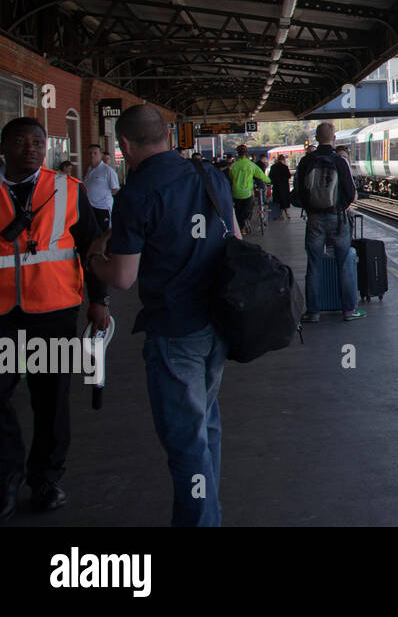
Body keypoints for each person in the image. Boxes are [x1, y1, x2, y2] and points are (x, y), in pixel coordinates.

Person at [88, 104, 239, 527]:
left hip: (176, 331)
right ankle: (210, 514)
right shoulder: (210, 175)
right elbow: (236, 240)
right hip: (218, 325)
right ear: (170, 138)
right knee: (206, 427)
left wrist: (95, 258)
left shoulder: (136, 194)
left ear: (123, 145)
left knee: (186, 442)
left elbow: (121, 276)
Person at [1, 117, 111, 521]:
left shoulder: (67, 189)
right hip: (2, 317)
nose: (31, 148)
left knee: (50, 400)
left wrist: (99, 301)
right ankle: (7, 476)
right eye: (20, 141)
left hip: (52, 311)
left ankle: (45, 480)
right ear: (4, 146)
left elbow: (92, 248)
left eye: (38, 142)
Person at [295, 122, 364, 323]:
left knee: (314, 264)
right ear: (334, 138)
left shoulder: (306, 161)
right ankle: (349, 310)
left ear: (316, 138)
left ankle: (313, 312)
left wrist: (310, 207)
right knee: (344, 263)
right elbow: (351, 193)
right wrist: (341, 205)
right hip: (338, 219)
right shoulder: (340, 161)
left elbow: (298, 192)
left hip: (314, 219)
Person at [227, 145, 270, 235]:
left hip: (236, 192)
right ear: (246, 153)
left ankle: (241, 227)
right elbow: (261, 175)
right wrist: (269, 181)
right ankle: (246, 220)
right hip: (247, 193)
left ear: (238, 154)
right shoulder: (251, 165)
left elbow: (230, 177)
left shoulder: (233, 165)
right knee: (248, 209)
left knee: (238, 211)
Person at [82, 143, 120, 232]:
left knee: (103, 235)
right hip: (90, 208)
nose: (92, 155)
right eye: (90, 153)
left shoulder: (108, 171)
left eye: (95, 153)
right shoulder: (89, 170)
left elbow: (115, 190)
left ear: (101, 155)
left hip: (103, 208)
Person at [268, 153, 292, 223]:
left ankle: (279, 214)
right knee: (284, 200)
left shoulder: (273, 167)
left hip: (276, 186)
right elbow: (289, 176)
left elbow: (270, 176)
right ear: (283, 159)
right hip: (284, 186)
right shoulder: (285, 167)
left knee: (277, 200)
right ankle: (286, 213)